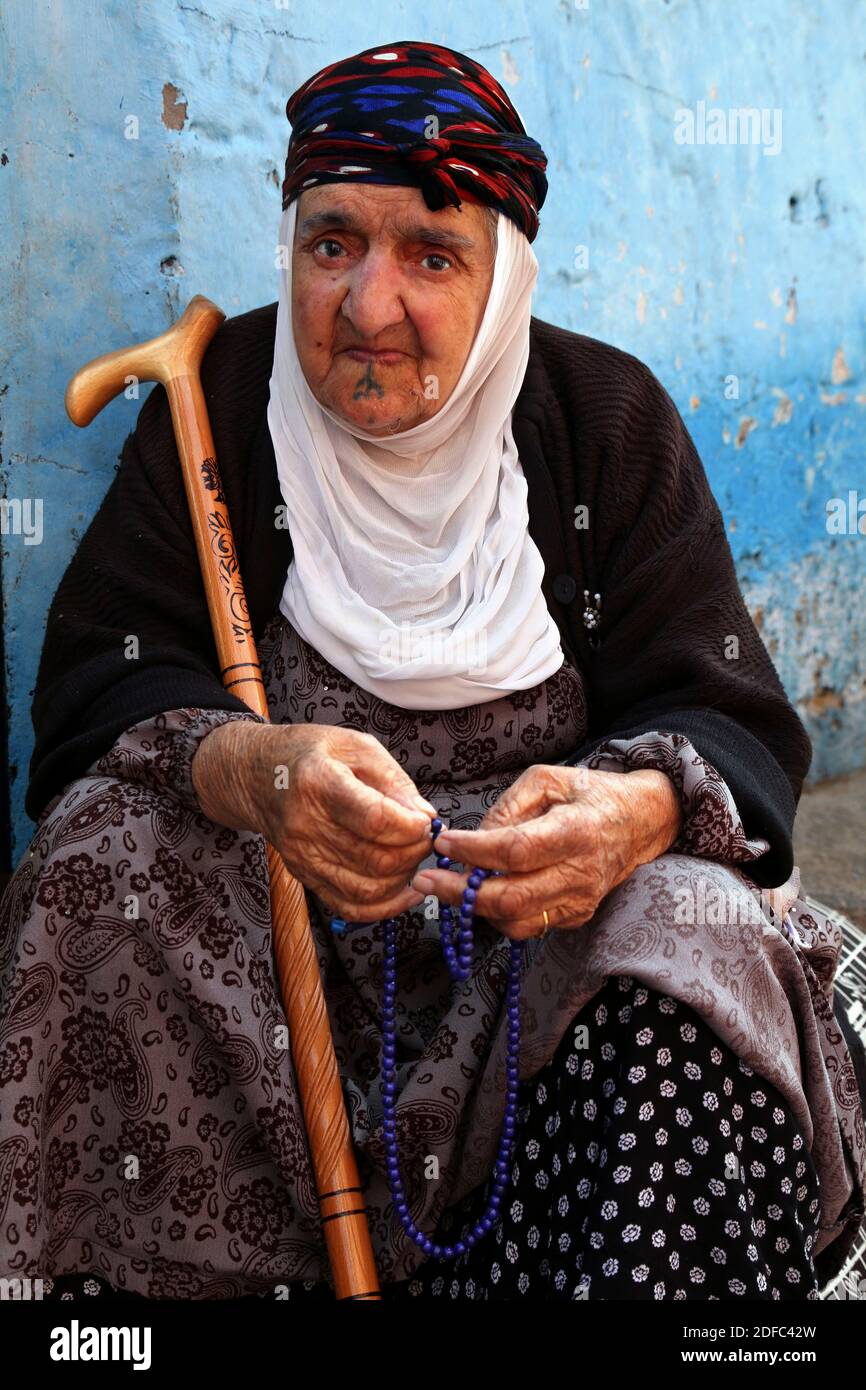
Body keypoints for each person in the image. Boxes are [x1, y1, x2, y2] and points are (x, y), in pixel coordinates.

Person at [1, 40, 863, 1303]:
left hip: (529, 966)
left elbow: (728, 713)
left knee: (696, 926)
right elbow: (91, 690)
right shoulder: (223, 402)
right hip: (275, 961)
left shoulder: (599, 416)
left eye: (431, 255)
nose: (365, 306)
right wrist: (252, 770)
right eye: (332, 243)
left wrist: (627, 814)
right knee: (96, 864)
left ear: (504, 273)